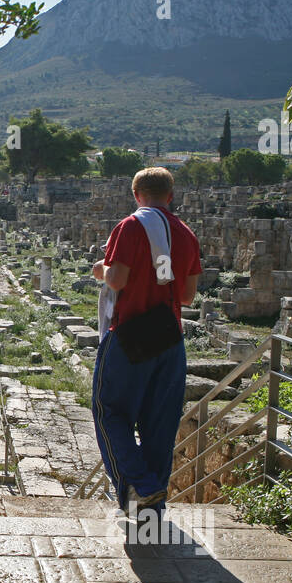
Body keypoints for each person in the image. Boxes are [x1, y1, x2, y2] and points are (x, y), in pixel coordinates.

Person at [90, 167, 201, 518]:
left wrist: (99, 269)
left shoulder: (131, 226)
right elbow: (185, 296)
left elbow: (118, 280)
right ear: (170, 196)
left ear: (137, 195)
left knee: (110, 411)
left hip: (129, 336)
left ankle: (141, 484)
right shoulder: (185, 235)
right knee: (159, 425)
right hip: (169, 340)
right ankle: (149, 517)